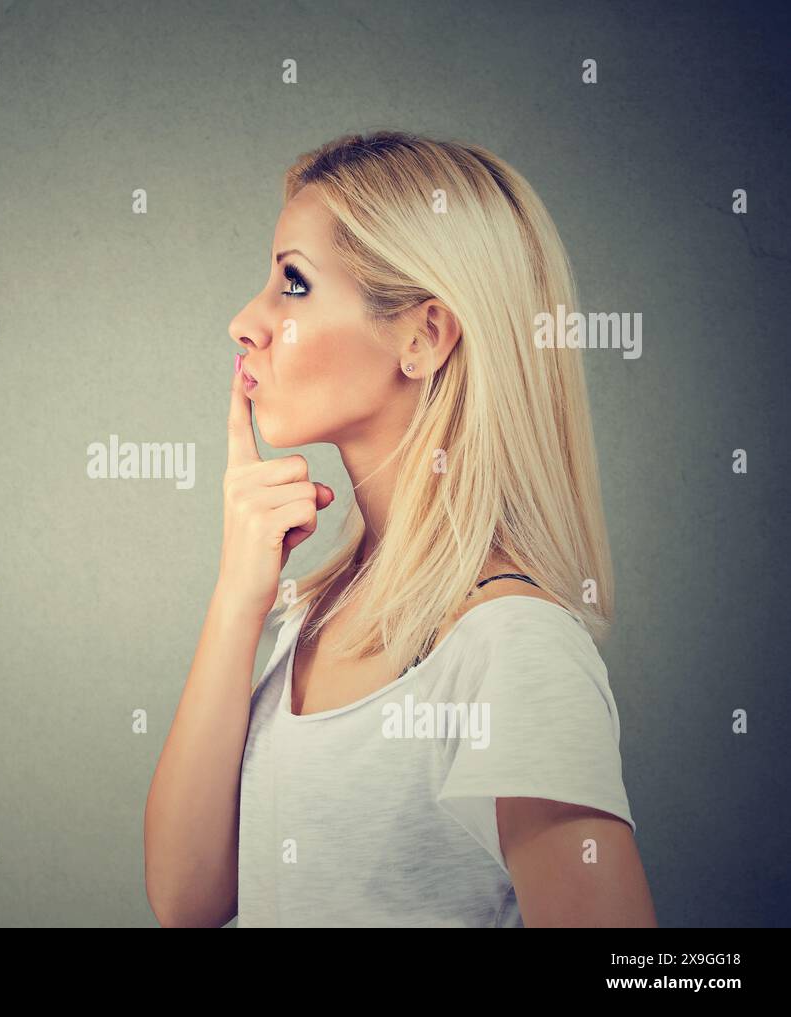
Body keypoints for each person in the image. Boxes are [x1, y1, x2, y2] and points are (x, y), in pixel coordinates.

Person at [143, 130, 656, 927]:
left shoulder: (512, 649)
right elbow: (187, 898)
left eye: (295, 284)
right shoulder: (314, 610)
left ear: (422, 336)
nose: (246, 321)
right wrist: (237, 598)